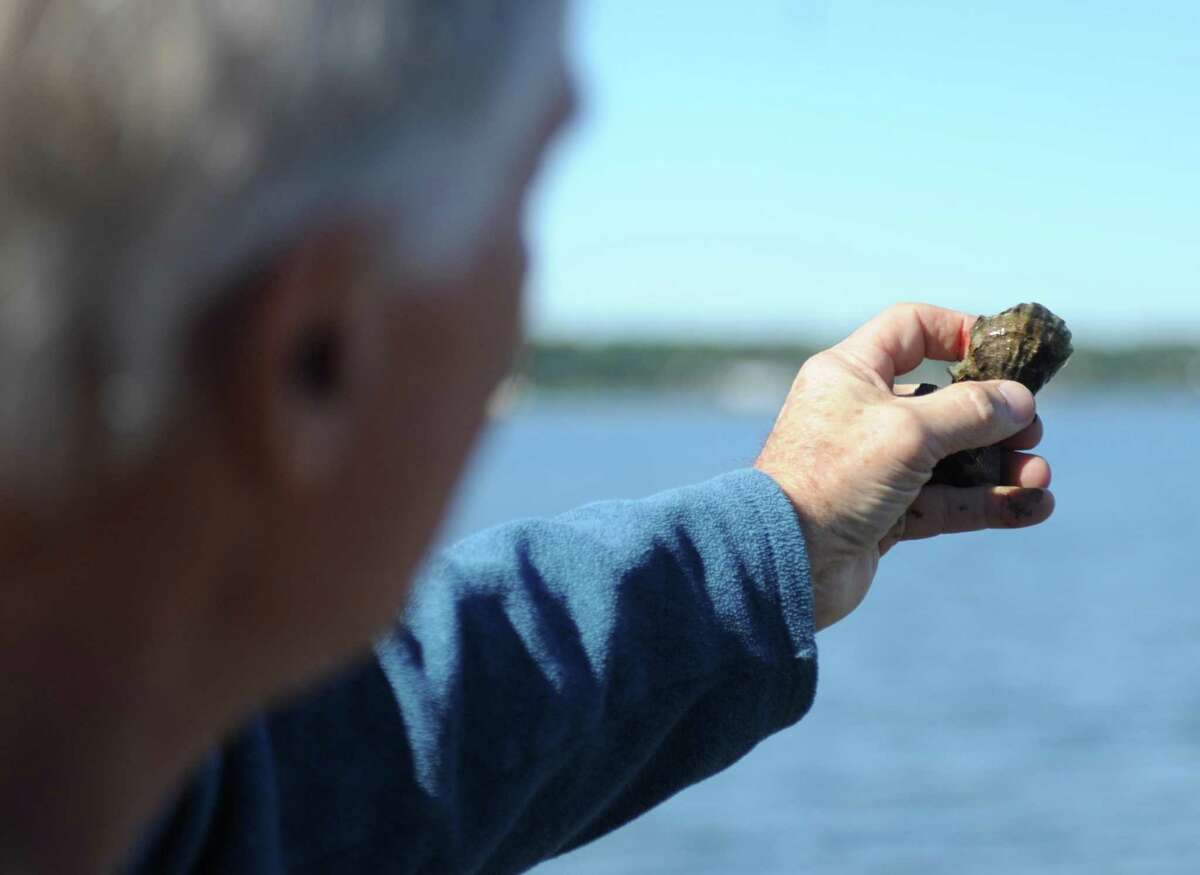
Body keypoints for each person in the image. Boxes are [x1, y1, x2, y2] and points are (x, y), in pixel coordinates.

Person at [0, 2, 1054, 872]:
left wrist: (791, 529)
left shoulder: (111, 776)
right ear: (315, 354)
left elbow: (352, 758)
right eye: (524, 199)